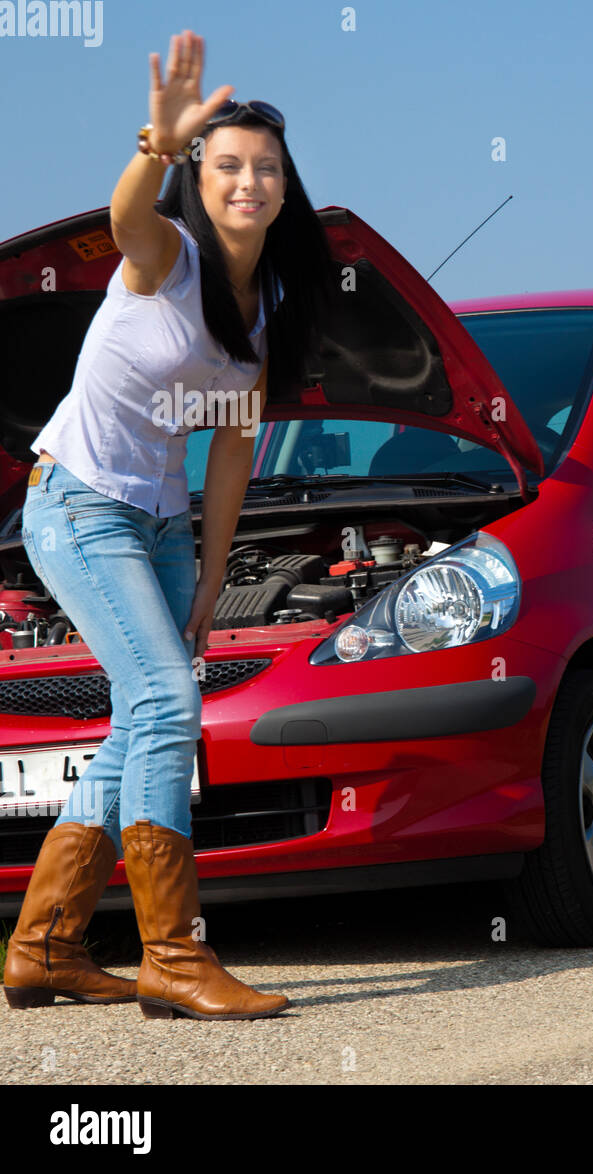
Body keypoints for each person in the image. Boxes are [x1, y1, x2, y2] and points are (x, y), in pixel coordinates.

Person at [3, 29, 332, 1020]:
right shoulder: (168, 256)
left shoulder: (265, 303)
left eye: (265, 168)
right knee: (164, 705)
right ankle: (174, 956)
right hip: (76, 504)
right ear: (204, 176)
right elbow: (122, 215)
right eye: (228, 164)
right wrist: (161, 140)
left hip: (159, 522)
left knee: (140, 720)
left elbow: (231, 445)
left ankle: (44, 944)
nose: (249, 181)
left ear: (284, 188)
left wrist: (212, 569)